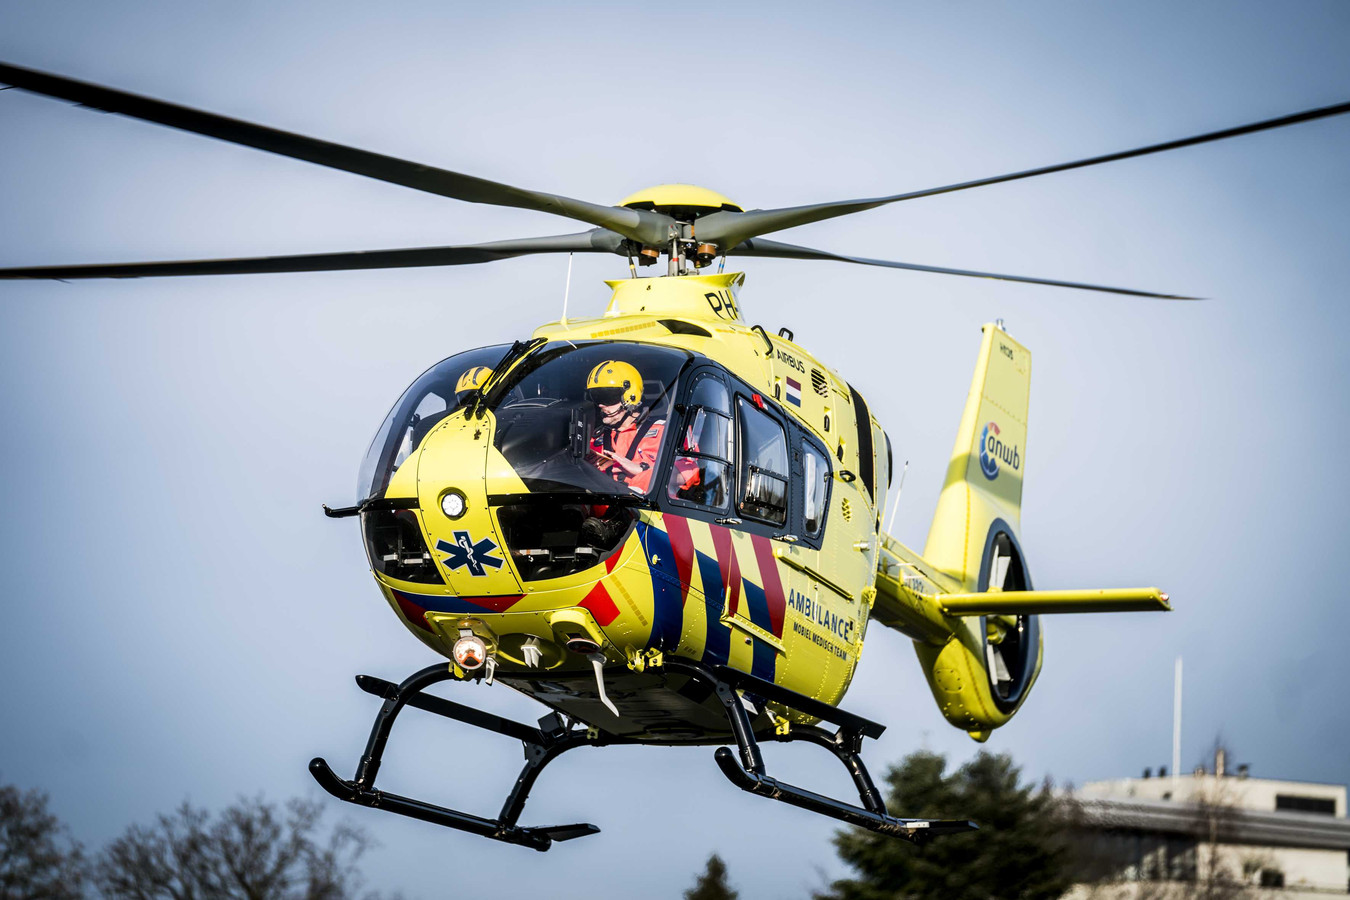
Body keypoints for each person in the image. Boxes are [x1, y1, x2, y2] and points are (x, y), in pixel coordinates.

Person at [584, 359, 664, 494]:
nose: (601, 405)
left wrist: (643, 470)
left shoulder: (665, 432)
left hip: (646, 510)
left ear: (630, 397)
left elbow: (686, 476)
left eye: (608, 397)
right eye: (597, 398)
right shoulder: (593, 441)